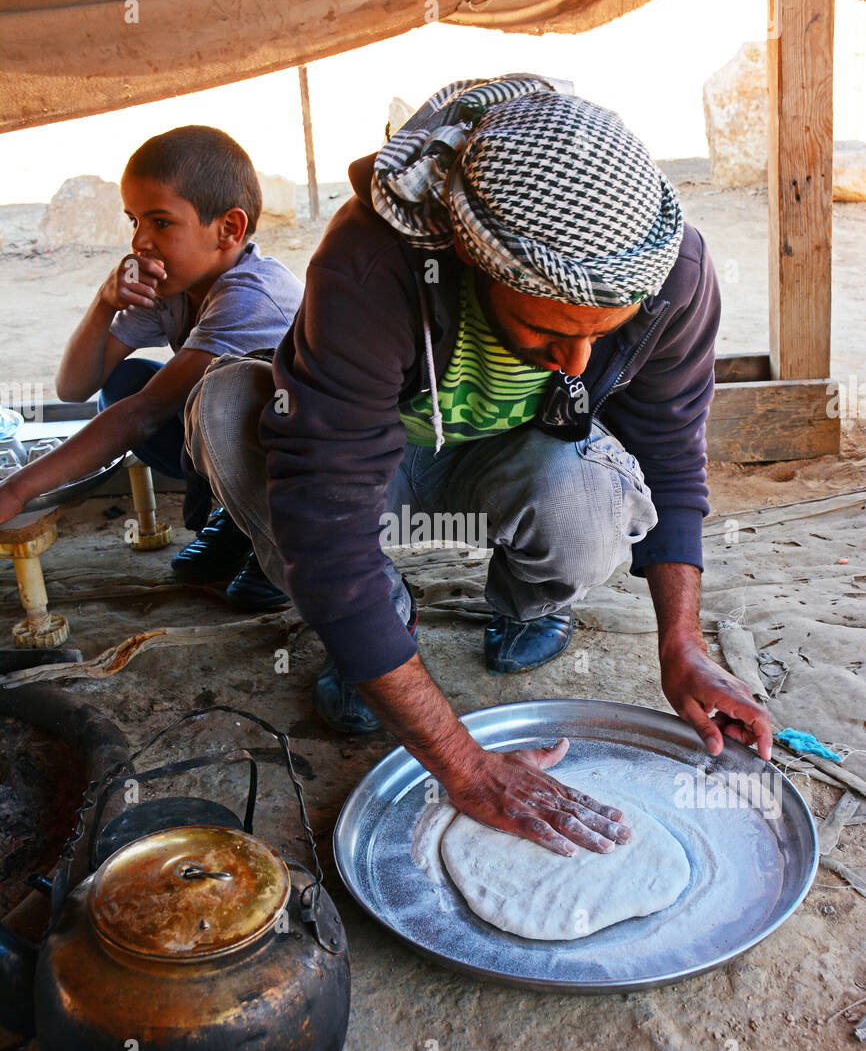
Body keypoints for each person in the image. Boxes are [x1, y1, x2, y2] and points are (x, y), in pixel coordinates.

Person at [185, 75, 773, 856]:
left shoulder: (673, 272)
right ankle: (379, 623)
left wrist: (683, 644)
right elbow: (325, 521)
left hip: (515, 463)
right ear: (468, 254)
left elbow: (668, 451)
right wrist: (463, 766)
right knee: (225, 409)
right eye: (547, 331)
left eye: (603, 334)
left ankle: (529, 604)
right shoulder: (371, 265)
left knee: (589, 502)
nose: (577, 360)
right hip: (378, 466)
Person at [0, 125, 302, 608]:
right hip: (236, 448)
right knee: (125, 381)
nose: (140, 241)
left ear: (229, 229)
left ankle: (281, 537)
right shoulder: (171, 287)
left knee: (210, 399)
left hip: (305, 463)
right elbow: (75, 386)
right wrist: (104, 303)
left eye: (160, 222)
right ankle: (236, 517)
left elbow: (144, 414)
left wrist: (16, 491)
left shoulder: (252, 296)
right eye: (133, 221)